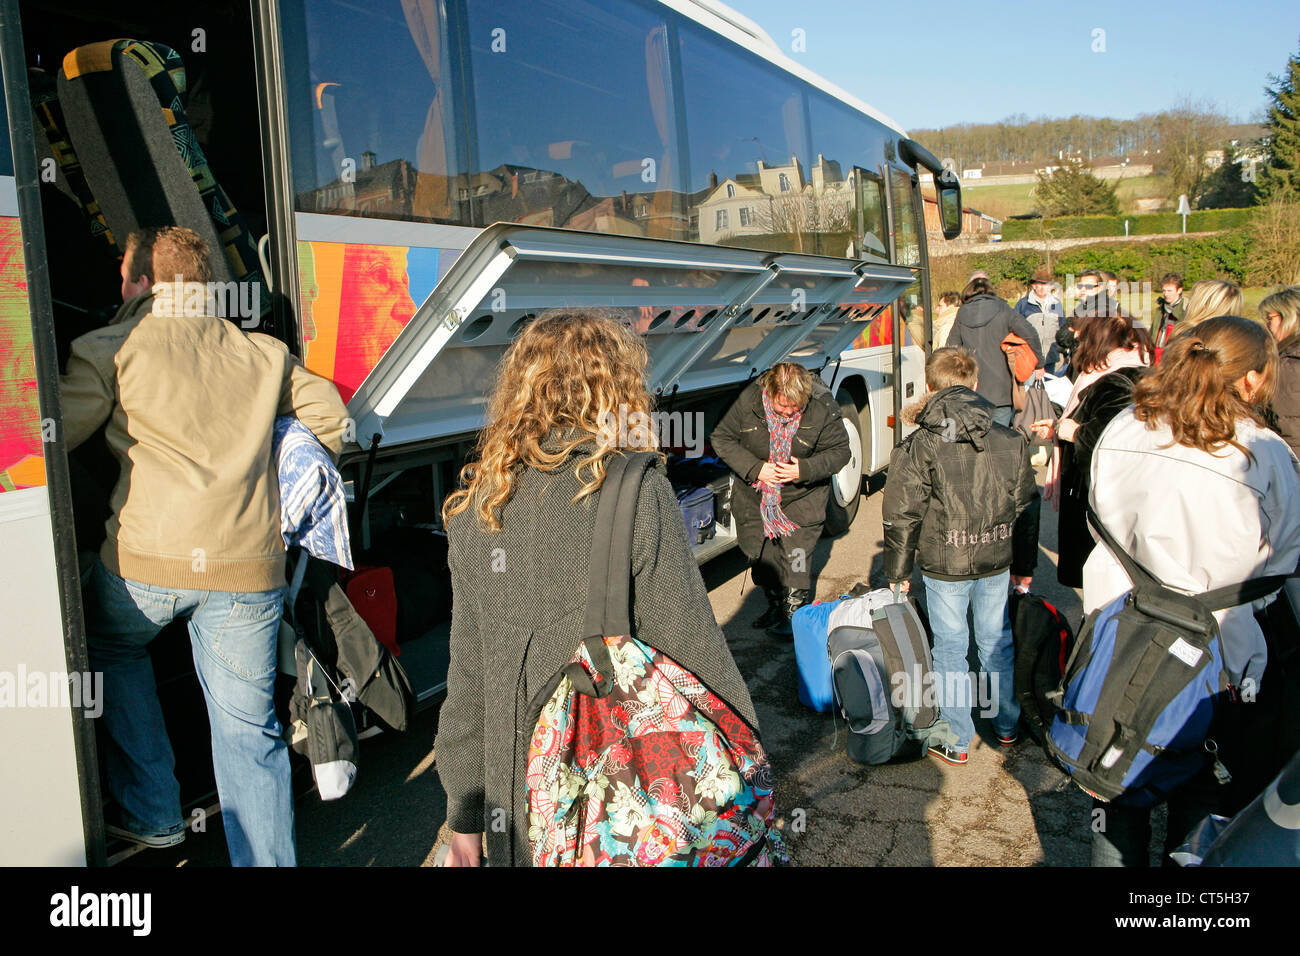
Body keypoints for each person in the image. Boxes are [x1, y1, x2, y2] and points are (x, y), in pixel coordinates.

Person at [60, 226, 350, 865]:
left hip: (144, 568)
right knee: (250, 733)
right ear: (205, 283)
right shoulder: (264, 355)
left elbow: (51, 434)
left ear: (142, 284)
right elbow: (330, 415)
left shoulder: (110, 348)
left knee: (104, 642)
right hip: (248, 569)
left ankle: (154, 811)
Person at [435, 310, 768, 866]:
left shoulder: (474, 513)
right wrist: (748, 759)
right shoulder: (635, 491)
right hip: (612, 808)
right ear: (617, 388)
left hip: (520, 811)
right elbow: (692, 647)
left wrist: (464, 820)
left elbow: (467, 681)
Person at [1083, 315, 1300, 866]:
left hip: (1123, 642)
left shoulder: (1125, 428)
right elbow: (1290, 563)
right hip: (1225, 662)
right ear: (1250, 380)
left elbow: (1097, 527)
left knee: (1115, 790)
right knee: (1204, 810)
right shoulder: (1265, 453)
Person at [882, 347, 1040, 765]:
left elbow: (902, 513)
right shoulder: (1010, 437)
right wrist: (1024, 568)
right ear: (974, 384)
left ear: (931, 387)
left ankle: (956, 737)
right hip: (996, 557)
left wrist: (897, 573)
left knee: (950, 649)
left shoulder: (920, 443)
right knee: (995, 641)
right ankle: (1006, 723)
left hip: (945, 562)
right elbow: (1027, 507)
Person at [712, 362, 850, 635]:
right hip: (756, 496)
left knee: (797, 557)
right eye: (781, 407)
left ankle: (794, 617)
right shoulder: (747, 400)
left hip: (803, 496)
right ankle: (775, 606)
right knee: (762, 557)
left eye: (795, 408)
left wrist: (804, 469)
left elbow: (840, 452)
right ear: (769, 392)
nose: (787, 413)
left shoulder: (822, 406)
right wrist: (757, 468)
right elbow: (721, 438)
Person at [1035, 312, 1152, 588]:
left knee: (1102, 582)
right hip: (1105, 493)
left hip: (1099, 496)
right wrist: (1057, 427)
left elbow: (1110, 436)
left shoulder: (1117, 379)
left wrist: (1070, 432)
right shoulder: (1126, 371)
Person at [945, 275, 1044, 426]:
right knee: (1000, 437)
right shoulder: (1004, 309)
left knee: (976, 438)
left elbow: (951, 348)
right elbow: (1030, 333)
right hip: (1002, 390)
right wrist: (1039, 363)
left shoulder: (962, 313)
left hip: (972, 388)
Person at [1261, 287, 1300, 458]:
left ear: (1289, 318)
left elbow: (1290, 428)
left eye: (1270, 319)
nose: (1266, 325)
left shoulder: (1288, 365)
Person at [1014, 265, 1065, 372]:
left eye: (1045, 284)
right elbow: (1015, 331)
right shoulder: (1022, 305)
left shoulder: (1057, 304)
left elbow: (1062, 329)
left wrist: (1062, 352)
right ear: (1033, 285)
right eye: (1038, 284)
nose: (1041, 287)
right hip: (1029, 359)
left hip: (1051, 359)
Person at [1173, 278, 1243, 333]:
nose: (1188, 304)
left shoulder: (1187, 340)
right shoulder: (1243, 340)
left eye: (1192, 299)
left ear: (1204, 306)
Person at [1153, 272, 1186, 347]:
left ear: (1179, 290)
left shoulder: (1185, 312)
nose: (1166, 294)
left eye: (1169, 291)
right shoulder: (1160, 311)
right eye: (1164, 290)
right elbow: (1152, 335)